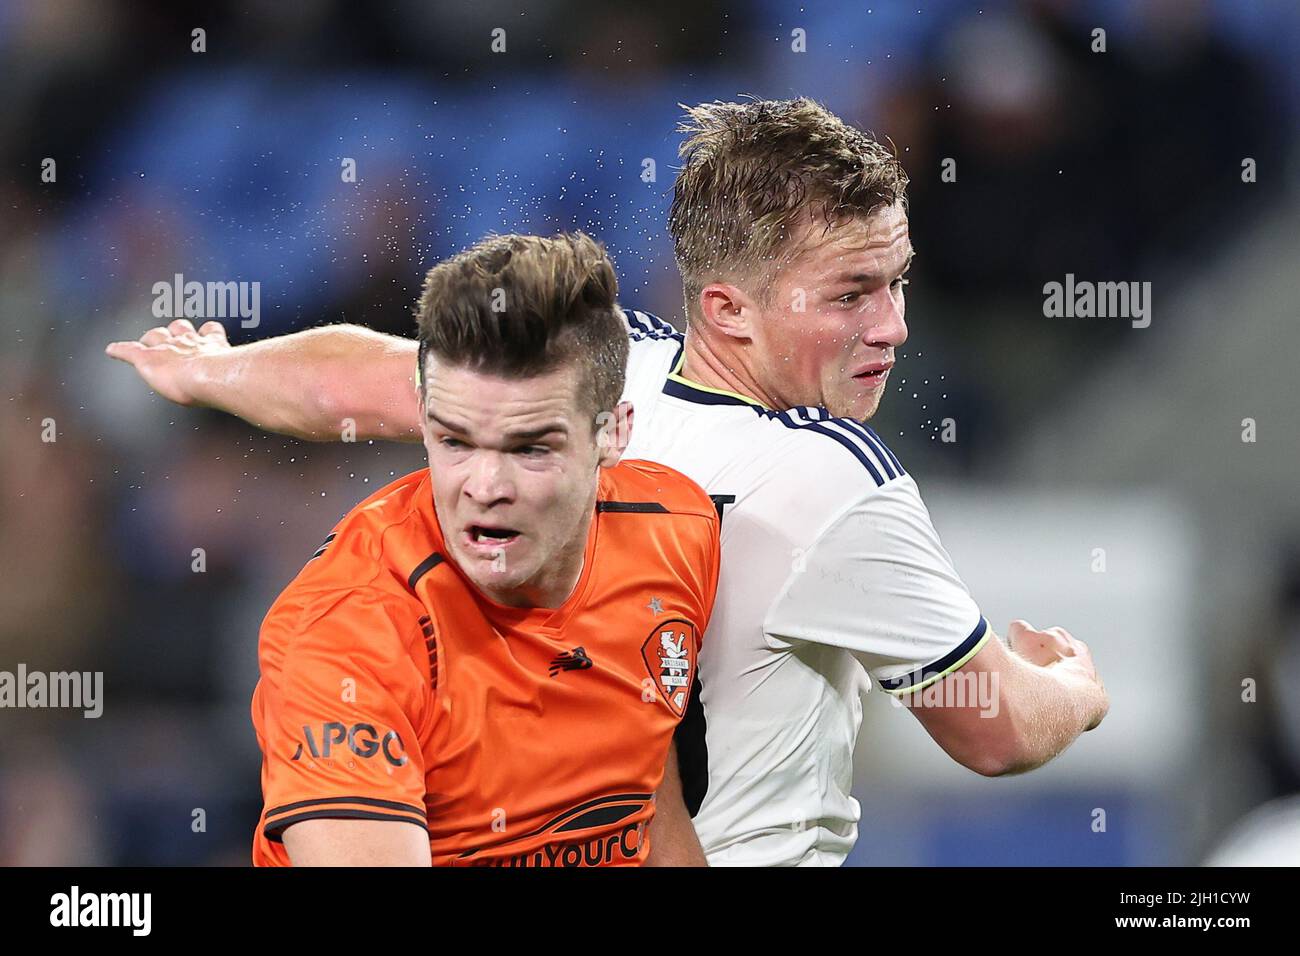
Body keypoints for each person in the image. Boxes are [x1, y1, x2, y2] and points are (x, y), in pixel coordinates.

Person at [108, 98, 1107, 867]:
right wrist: (1073, 687)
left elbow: (358, 377)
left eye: (895, 282)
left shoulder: (601, 370)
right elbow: (994, 727)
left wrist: (216, 369)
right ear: (729, 306)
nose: (890, 323)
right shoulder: (823, 475)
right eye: (850, 293)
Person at [227, 232, 719, 865]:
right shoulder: (349, 631)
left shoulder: (675, 530)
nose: (485, 489)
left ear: (612, 434)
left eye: (530, 448)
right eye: (455, 442)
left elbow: (653, 807)